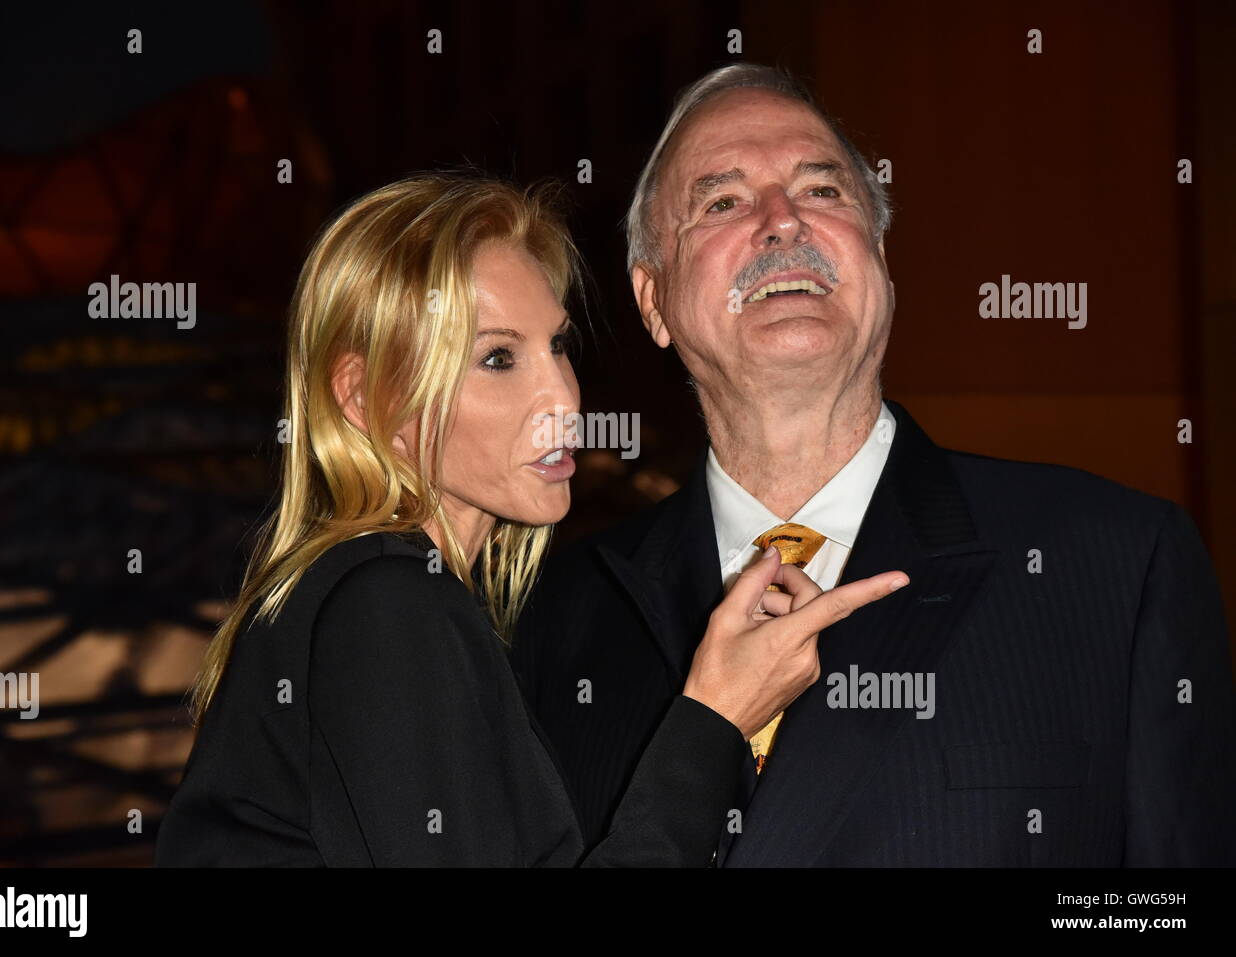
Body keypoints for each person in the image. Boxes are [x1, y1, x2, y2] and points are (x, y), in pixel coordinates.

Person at [510, 63, 1236, 866]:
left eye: (823, 192)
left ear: (881, 261)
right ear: (652, 301)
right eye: (722, 202)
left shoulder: (1115, 564)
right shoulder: (551, 620)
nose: (783, 222)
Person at [153, 172, 909, 867]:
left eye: (557, 345)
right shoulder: (387, 602)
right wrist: (714, 717)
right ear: (367, 399)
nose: (564, 399)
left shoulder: (378, 597)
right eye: (497, 359)